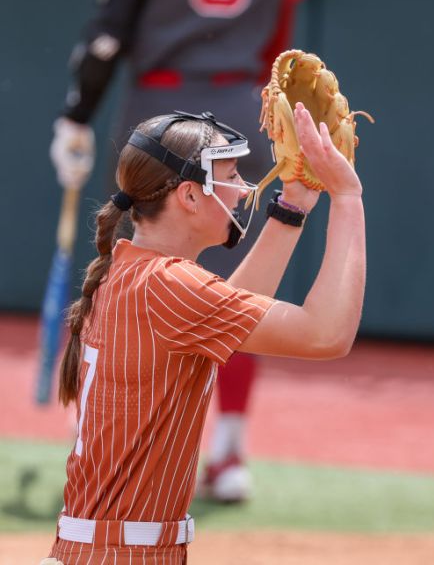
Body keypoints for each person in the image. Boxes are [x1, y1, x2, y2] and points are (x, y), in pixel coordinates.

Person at [43, 104, 365, 564]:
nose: (241, 191)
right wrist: (348, 197)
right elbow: (327, 335)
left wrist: (294, 203)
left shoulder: (138, 272)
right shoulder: (167, 284)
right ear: (190, 196)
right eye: (230, 176)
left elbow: (231, 323)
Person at [49, 0, 318, 502]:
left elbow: (109, 34)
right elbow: (278, 56)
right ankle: (230, 451)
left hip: (160, 119)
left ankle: (100, 441)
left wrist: (77, 115)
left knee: (128, 281)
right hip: (241, 116)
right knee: (235, 295)